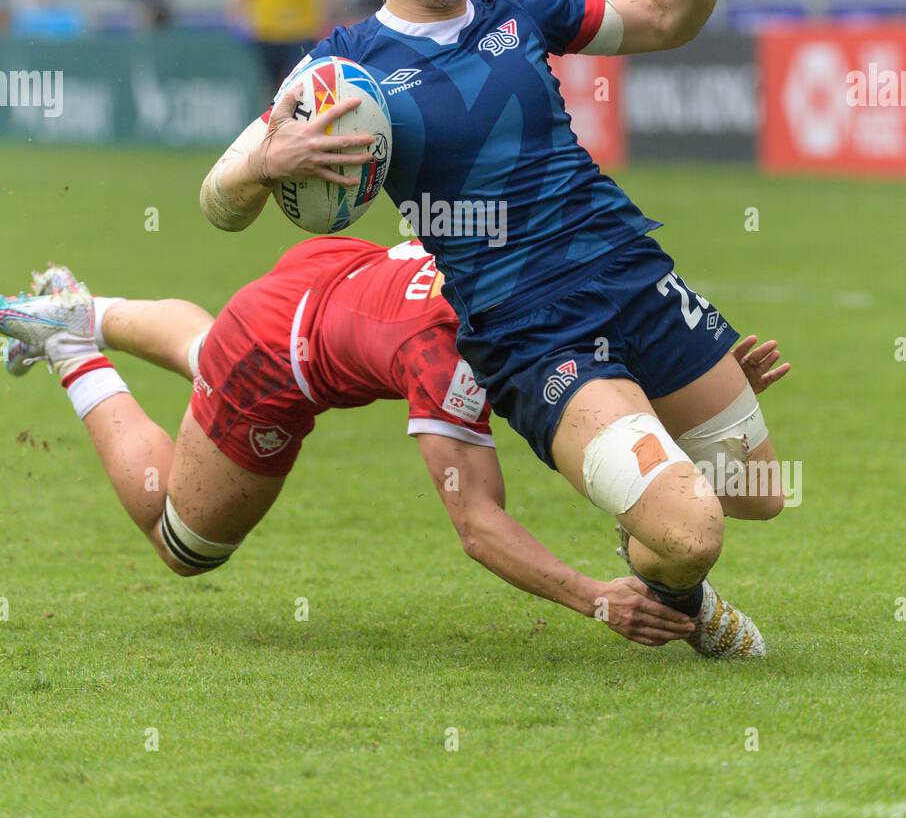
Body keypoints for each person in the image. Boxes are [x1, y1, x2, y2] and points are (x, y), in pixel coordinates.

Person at [200, 0, 786, 657]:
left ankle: (645, 505)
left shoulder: (518, 13)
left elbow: (663, 16)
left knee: (758, 490)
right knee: (692, 532)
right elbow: (218, 201)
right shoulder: (341, 72)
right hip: (529, 329)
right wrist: (268, 161)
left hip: (629, 274)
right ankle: (673, 574)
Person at [0, 250, 786, 653]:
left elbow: (597, 376)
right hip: (274, 362)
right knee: (183, 540)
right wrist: (595, 596)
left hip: (323, 279)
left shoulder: (511, 265)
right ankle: (75, 348)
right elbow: (477, 523)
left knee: (214, 342)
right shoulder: (446, 357)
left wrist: (694, 395)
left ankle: (88, 309)